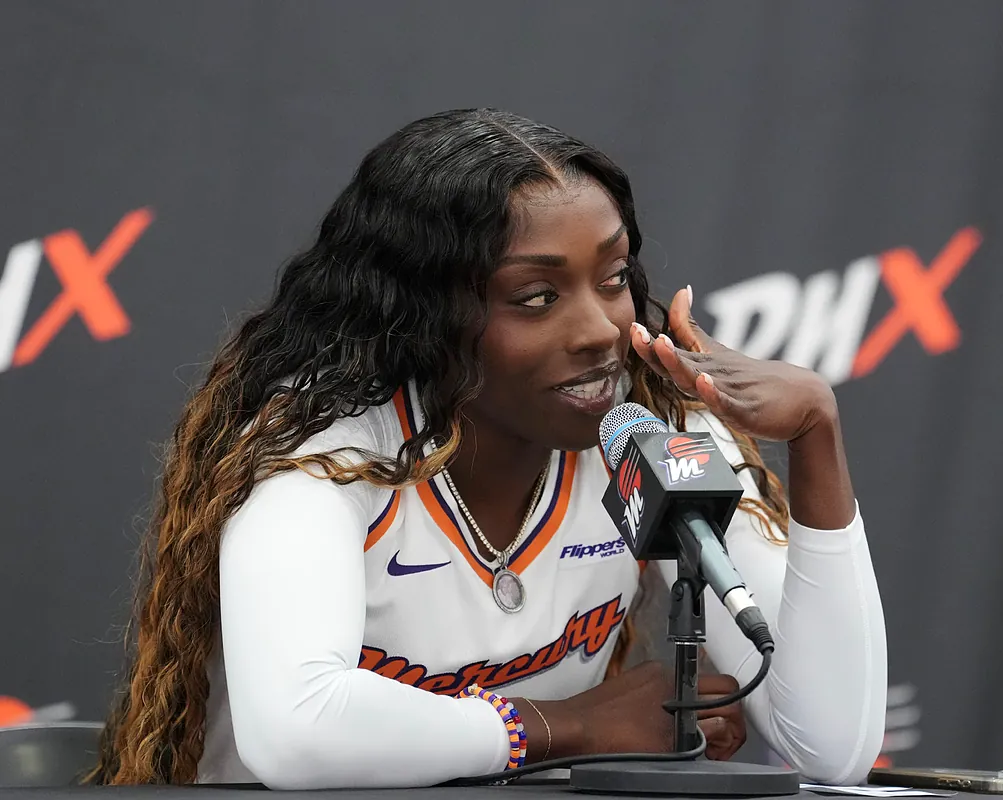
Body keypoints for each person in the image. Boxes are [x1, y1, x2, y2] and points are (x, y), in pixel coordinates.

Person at [87, 109, 887, 788]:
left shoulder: (648, 432)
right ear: (422, 314)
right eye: (535, 297)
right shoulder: (326, 450)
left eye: (612, 278)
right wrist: (572, 725)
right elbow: (297, 729)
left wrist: (817, 432)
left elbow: (831, 749)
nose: (599, 330)